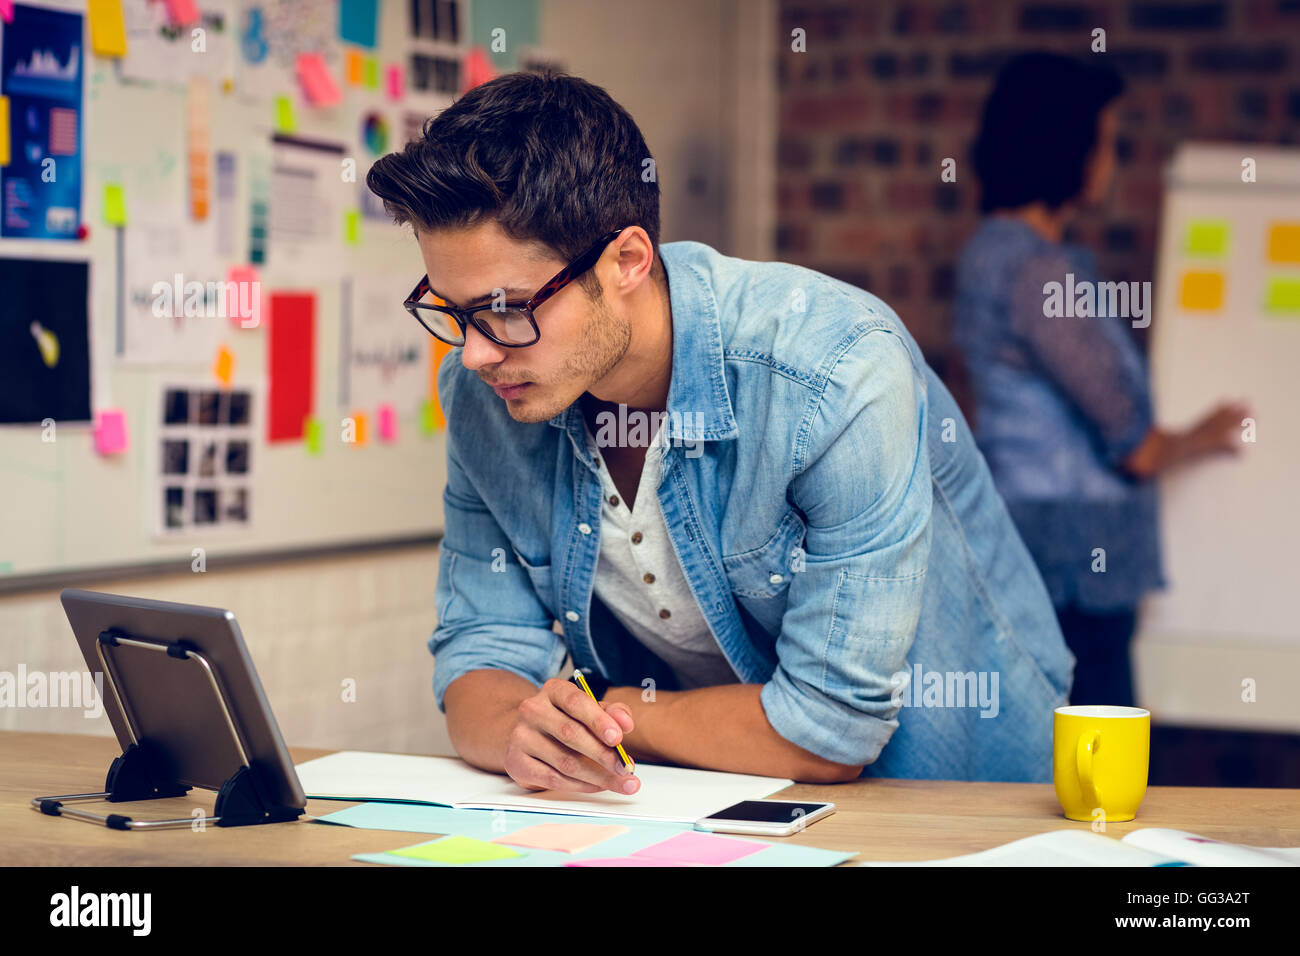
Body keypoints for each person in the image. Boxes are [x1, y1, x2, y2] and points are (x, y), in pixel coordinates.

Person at [367, 69, 1073, 792]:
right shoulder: (487, 393)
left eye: (507, 308)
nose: (476, 352)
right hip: (716, 786)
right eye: (451, 311)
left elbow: (829, 732)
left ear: (627, 262)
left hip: (962, 787)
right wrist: (527, 732)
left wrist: (604, 717)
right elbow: (481, 650)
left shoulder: (836, 370)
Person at [954, 52, 1247, 709]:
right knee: (1097, 755)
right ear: (1068, 148)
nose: (1111, 162)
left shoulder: (989, 253)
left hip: (1033, 552)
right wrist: (1202, 435)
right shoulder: (1037, 273)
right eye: (1106, 141)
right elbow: (1134, 445)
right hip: (1073, 568)